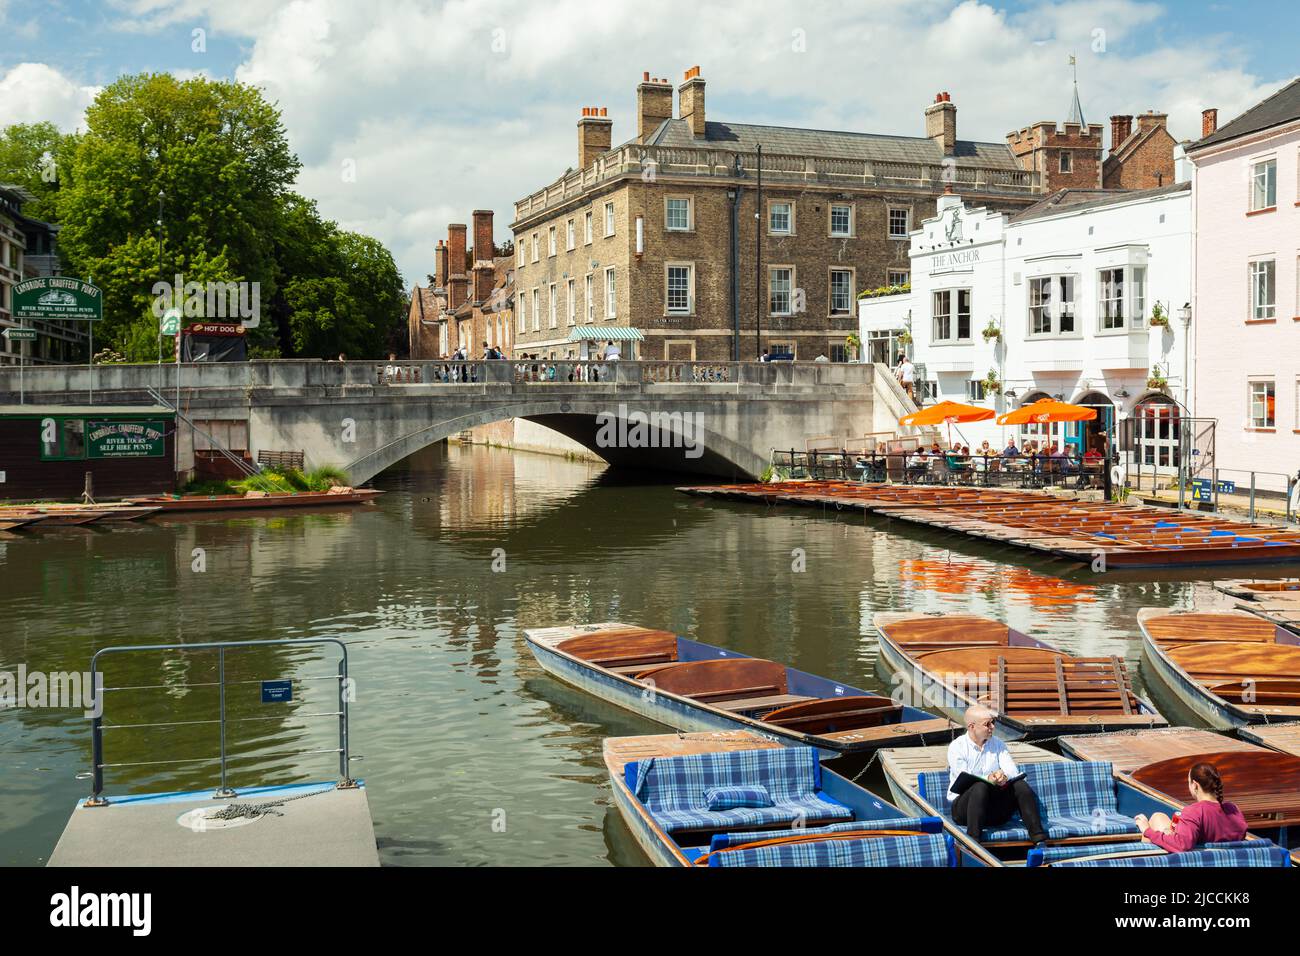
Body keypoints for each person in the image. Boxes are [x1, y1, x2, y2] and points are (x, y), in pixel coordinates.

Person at [947, 705, 1049, 849]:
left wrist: (1004, 776)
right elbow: (963, 779)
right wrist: (988, 778)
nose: (993, 727)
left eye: (993, 722)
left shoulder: (998, 744)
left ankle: (1039, 840)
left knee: (1020, 785)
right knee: (979, 787)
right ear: (971, 726)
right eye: (987, 724)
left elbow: (1012, 771)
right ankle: (973, 846)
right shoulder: (957, 747)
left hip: (995, 810)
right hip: (964, 810)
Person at [1134, 762, 1247, 853]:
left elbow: (1182, 845)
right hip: (1223, 858)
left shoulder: (1194, 811)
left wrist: (1147, 830)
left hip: (1196, 860)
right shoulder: (1233, 809)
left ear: (1195, 785)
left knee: (1154, 821)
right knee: (1159, 817)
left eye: (1188, 782)